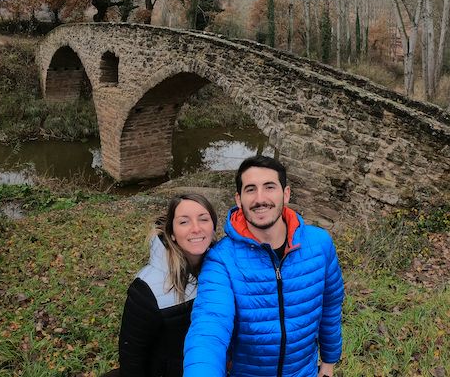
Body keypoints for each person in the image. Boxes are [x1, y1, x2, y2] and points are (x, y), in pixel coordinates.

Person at [183, 155, 345, 377]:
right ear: (239, 199)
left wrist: (329, 361)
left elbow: (331, 306)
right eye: (250, 189)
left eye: (269, 187)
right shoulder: (222, 259)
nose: (260, 199)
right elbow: (209, 327)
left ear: (285, 194)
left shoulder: (320, 244)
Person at [117, 193, 218, 377]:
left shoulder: (223, 274)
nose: (196, 228)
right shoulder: (148, 288)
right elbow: (132, 357)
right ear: (172, 233)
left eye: (203, 219)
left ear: (213, 228)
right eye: (184, 222)